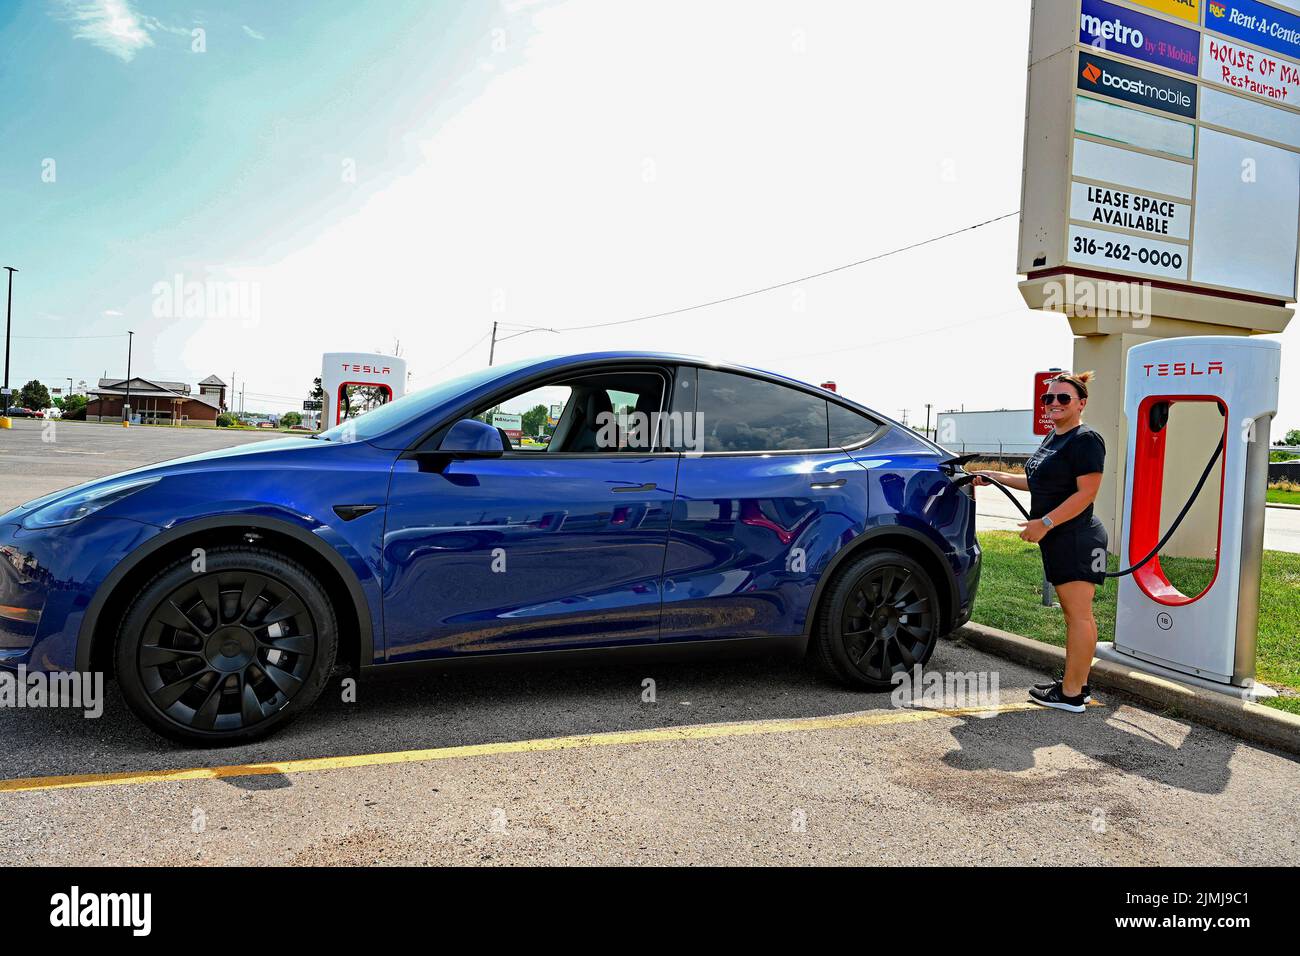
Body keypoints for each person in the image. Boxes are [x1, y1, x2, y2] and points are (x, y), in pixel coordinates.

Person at [972, 371, 1107, 713]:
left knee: (1079, 616)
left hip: (1076, 535)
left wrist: (1045, 523)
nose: (1054, 403)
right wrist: (996, 476)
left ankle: (1072, 694)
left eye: (1063, 398)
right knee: (1074, 615)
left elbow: (1087, 492)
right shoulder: (1054, 437)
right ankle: (1075, 684)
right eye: (1049, 398)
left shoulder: (1085, 439)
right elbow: (1041, 483)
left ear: (1081, 403)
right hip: (1061, 535)